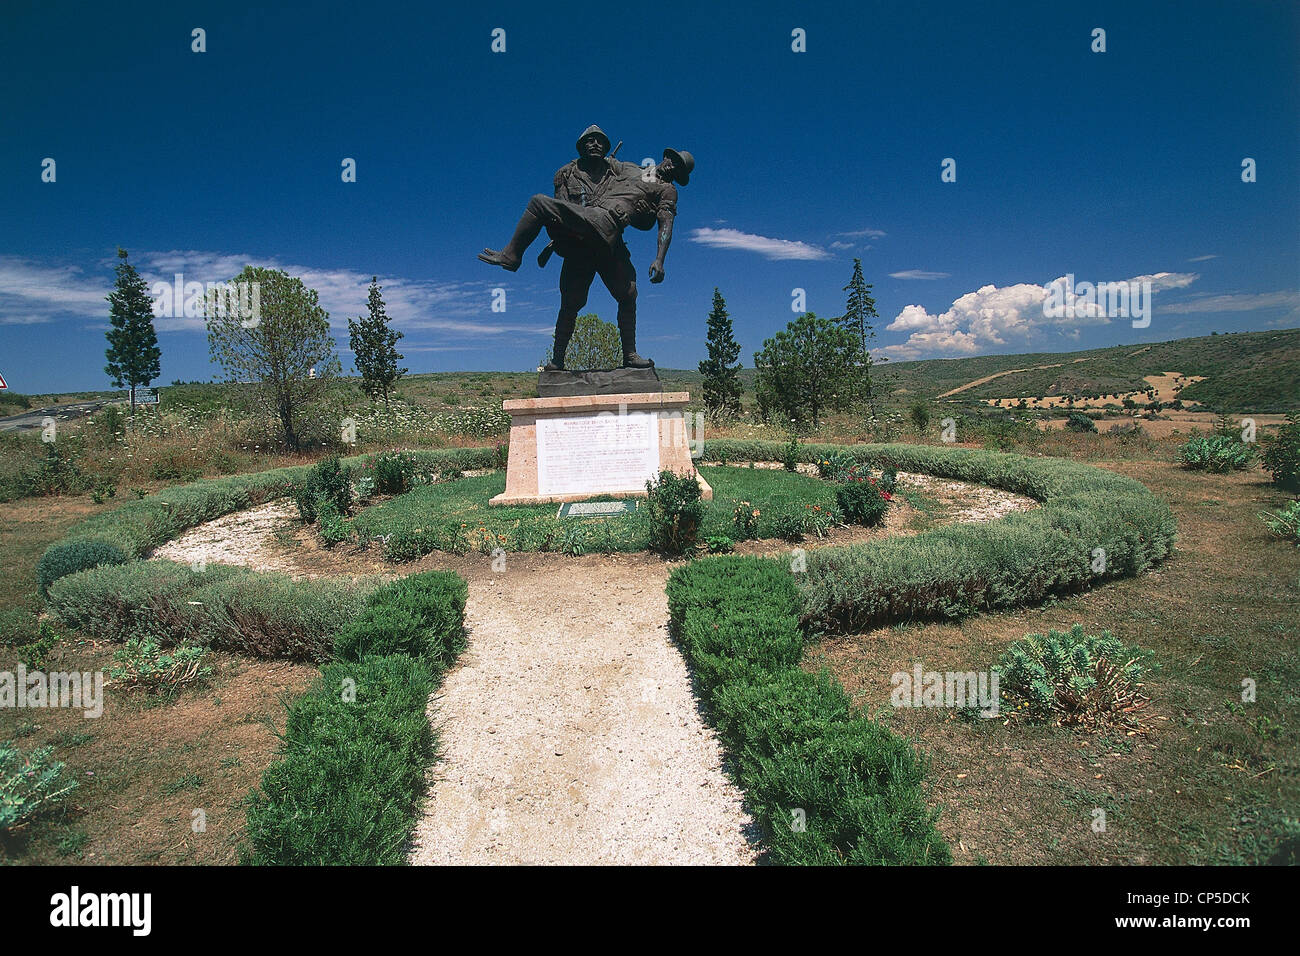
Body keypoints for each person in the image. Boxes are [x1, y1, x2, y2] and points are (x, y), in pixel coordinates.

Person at [479, 126, 694, 370]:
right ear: (665, 157)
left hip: (604, 229)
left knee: (628, 293)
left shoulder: (668, 190)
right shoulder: (630, 168)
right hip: (582, 240)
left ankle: (630, 354)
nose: (670, 165)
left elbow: (664, 223)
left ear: (679, 175)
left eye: (677, 167)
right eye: (671, 159)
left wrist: (659, 258)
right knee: (571, 302)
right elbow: (606, 170)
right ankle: (557, 361)